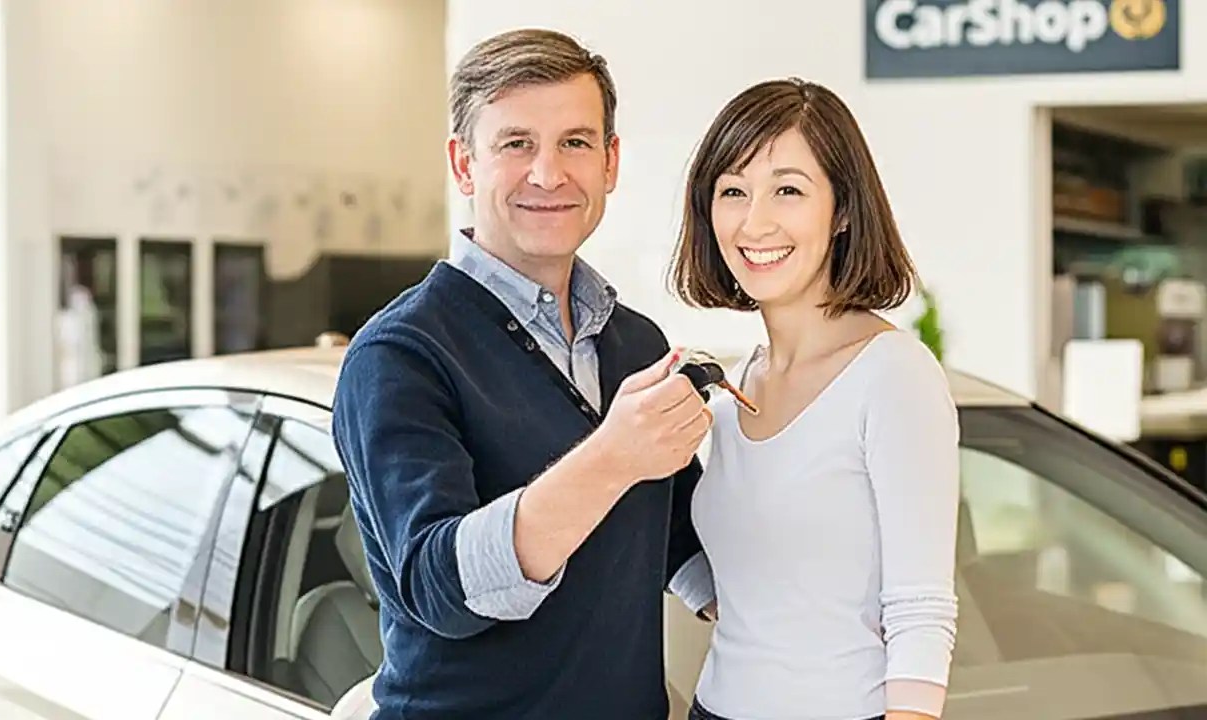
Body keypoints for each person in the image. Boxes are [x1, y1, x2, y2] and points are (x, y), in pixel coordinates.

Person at [331, 28, 716, 720]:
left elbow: (678, 539)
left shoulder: (636, 343)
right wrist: (611, 456)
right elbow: (443, 589)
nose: (548, 174)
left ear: (610, 162)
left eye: (575, 142)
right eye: (516, 144)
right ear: (463, 164)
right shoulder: (399, 355)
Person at [668, 78, 960, 720]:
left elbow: (921, 614)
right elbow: (744, 577)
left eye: (788, 190)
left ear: (843, 210)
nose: (755, 222)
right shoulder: (735, 387)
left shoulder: (893, 374)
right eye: (733, 191)